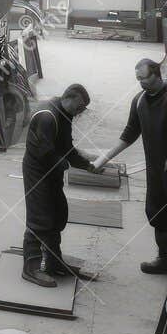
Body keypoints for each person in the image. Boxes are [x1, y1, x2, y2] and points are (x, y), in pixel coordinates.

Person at [94, 59, 167, 274]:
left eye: (144, 78)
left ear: (157, 74)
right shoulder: (139, 102)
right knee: (156, 212)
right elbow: (129, 135)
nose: (141, 83)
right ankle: (165, 258)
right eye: (138, 79)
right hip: (154, 170)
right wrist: (102, 160)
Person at [21, 83, 97, 288]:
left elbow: (66, 147)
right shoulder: (47, 116)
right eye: (79, 107)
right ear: (68, 98)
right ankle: (31, 267)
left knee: (58, 213)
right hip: (37, 171)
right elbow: (45, 153)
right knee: (40, 218)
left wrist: (87, 166)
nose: (81, 112)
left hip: (52, 171)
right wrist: (65, 164)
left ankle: (54, 262)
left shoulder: (65, 114)